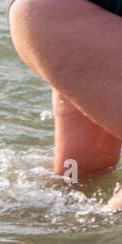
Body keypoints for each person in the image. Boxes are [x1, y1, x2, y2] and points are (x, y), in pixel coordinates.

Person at [9, 0, 122, 210]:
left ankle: (30, 225)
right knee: (79, 191)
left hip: (64, 18)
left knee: (78, 179)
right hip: (74, 20)